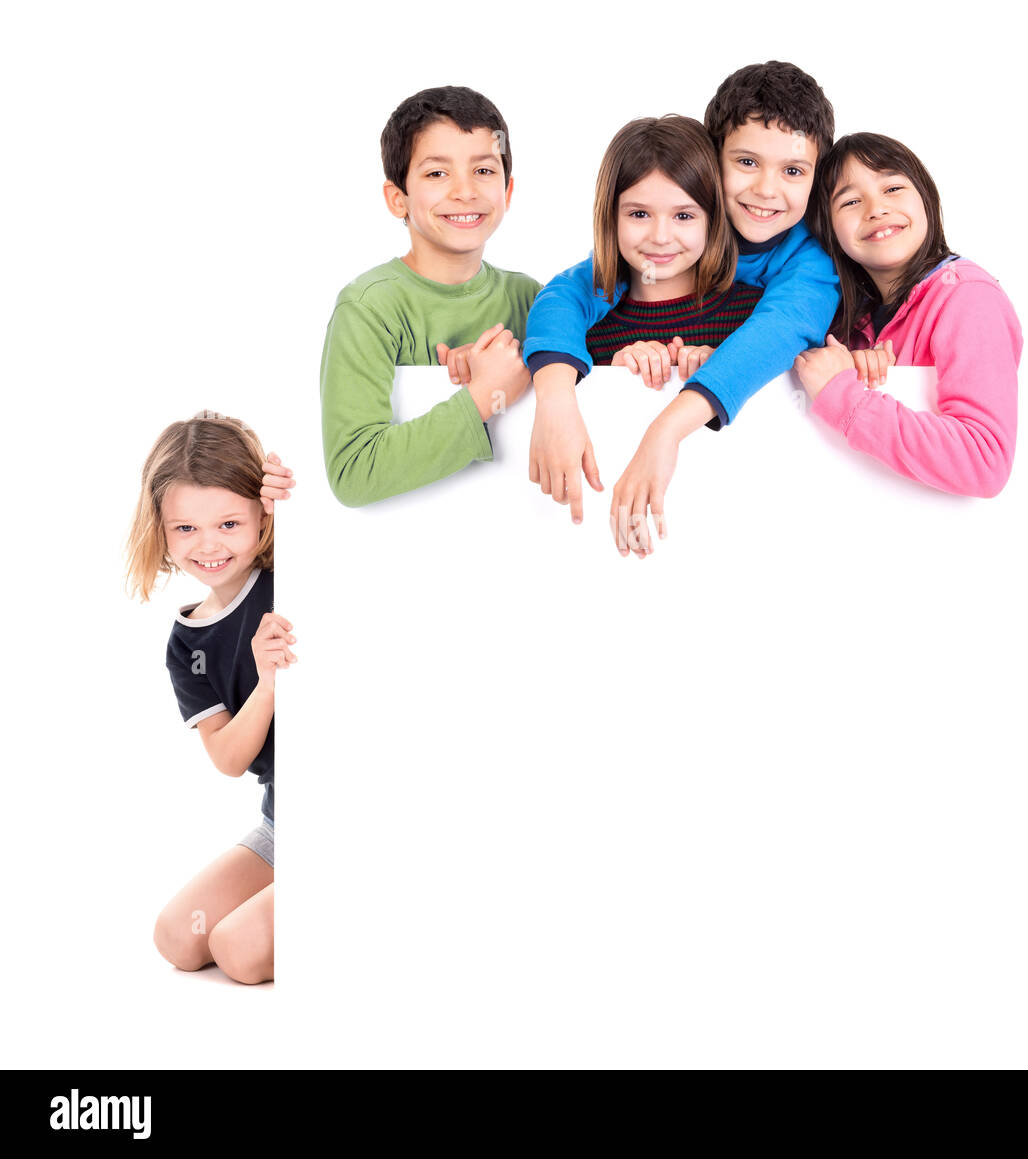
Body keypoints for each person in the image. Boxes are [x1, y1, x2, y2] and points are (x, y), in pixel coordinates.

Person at [521, 61, 841, 550]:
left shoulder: (809, 262)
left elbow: (777, 332)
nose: (766, 190)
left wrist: (666, 430)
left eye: (793, 170)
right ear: (710, 163)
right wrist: (557, 395)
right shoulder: (668, 241)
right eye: (747, 162)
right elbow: (569, 294)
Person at [127, 412, 295, 985]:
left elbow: (331, 518)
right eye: (186, 529)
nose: (209, 545)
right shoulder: (185, 643)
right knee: (177, 936)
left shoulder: (289, 574)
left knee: (240, 951)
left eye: (228, 522)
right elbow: (228, 758)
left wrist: (293, 498)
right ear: (161, 529)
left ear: (260, 514)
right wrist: (268, 683)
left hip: (342, 814)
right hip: (283, 822)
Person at [320, 86, 540, 506]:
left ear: (508, 192)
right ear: (397, 199)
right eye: (437, 173)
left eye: (484, 170)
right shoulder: (368, 308)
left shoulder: (531, 298)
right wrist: (482, 395)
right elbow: (353, 473)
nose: (465, 191)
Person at [794, 132, 1021, 498]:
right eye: (851, 201)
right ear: (829, 231)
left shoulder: (967, 297)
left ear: (926, 198)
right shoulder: (848, 317)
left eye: (893, 188)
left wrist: (843, 395)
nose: (876, 209)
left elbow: (985, 461)